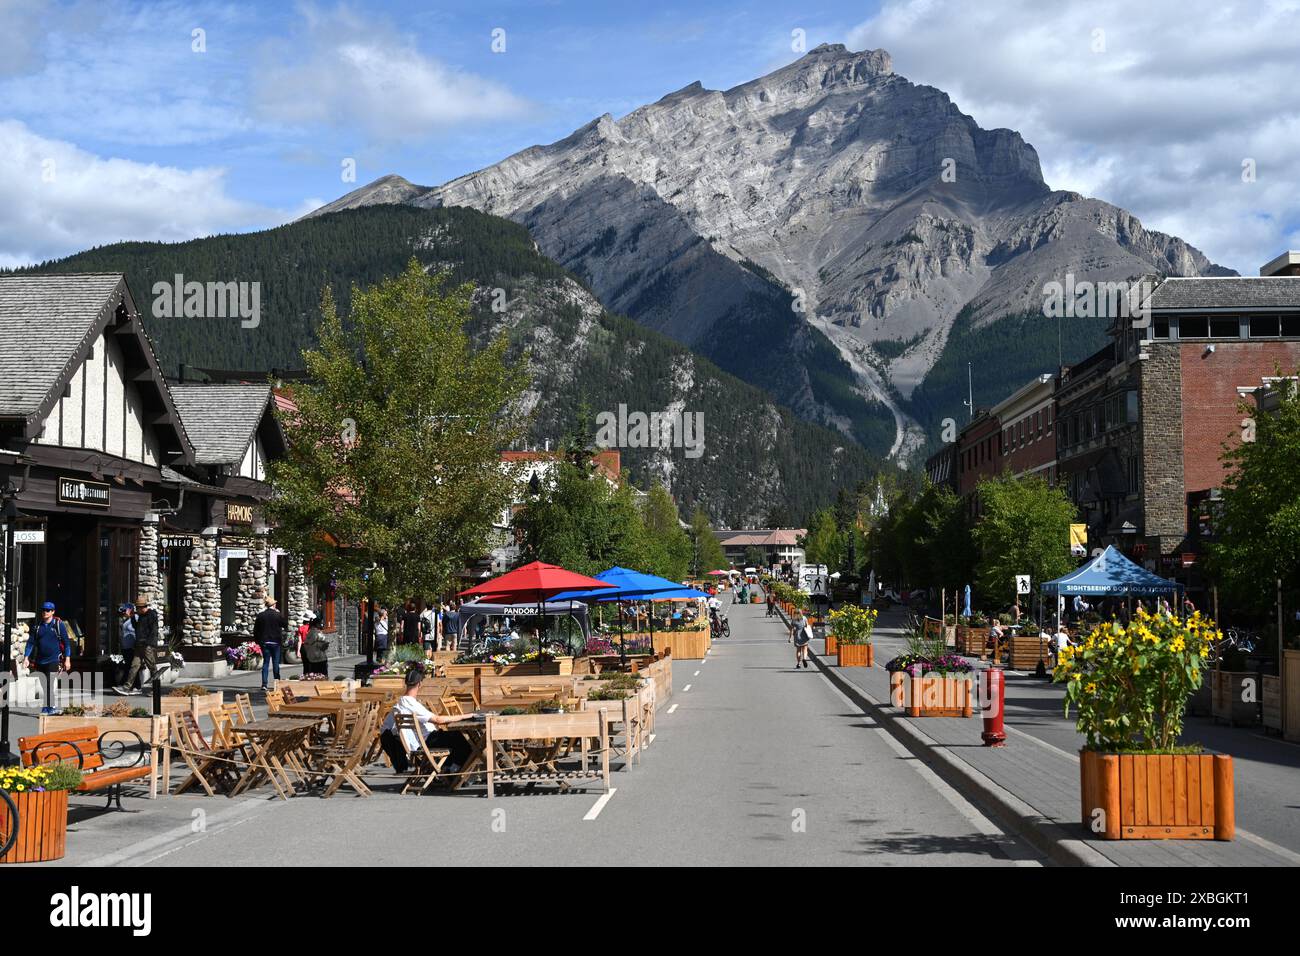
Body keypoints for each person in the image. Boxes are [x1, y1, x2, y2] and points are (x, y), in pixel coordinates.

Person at [379, 667, 473, 774]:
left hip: (421, 741)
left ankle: (450, 768)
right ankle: (453, 771)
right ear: (419, 684)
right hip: (426, 741)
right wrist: (465, 716)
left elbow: (386, 729)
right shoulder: (411, 703)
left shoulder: (401, 703)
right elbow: (438, 720)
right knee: (463, 739)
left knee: (456, 737)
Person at [25, 600, 73, 714]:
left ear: (53, 612)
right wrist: (26, 657)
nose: (45, 612)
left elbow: (66, 643)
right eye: (43, 610)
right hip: (40, 661)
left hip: (53, 659)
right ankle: (49, 706)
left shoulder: (58, 625)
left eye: (48, 610)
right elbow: (30, 643)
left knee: (49, 684)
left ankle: (49, 707)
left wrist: (67, 659)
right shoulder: (37, 627)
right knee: (44, 685)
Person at [117, 595, 161, 695]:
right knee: (134, 666)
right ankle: (126, 687)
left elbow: (154, 631)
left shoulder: (151, 615)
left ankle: (156, 689)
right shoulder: (141, 616)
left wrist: (149, 644)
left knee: (152, 667)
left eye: (137, 608)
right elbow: (136, 628)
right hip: (139, 645)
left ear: (142, 607)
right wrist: (132, 618)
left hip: (146, 646)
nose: (136, 610)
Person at [253, 594, 288, 690]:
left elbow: (256, 630)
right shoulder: (277, 615)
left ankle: (264, 684)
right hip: (275, 642)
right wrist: (280, 614)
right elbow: (285, 624)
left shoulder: (261, 615)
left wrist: (257, 641)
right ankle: (277, 682)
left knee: (266, 663)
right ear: (273, 605)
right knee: (276, 663)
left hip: (265, 642)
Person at [117, 602, 136, 685]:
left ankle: (125, 684)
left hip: (131, 647)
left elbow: (136, 631)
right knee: (128, 666)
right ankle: (132, 685)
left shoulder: (135, 618)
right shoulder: (125, 620)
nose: (123, 612)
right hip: (125, 648)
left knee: (130, 666)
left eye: (125, 610)